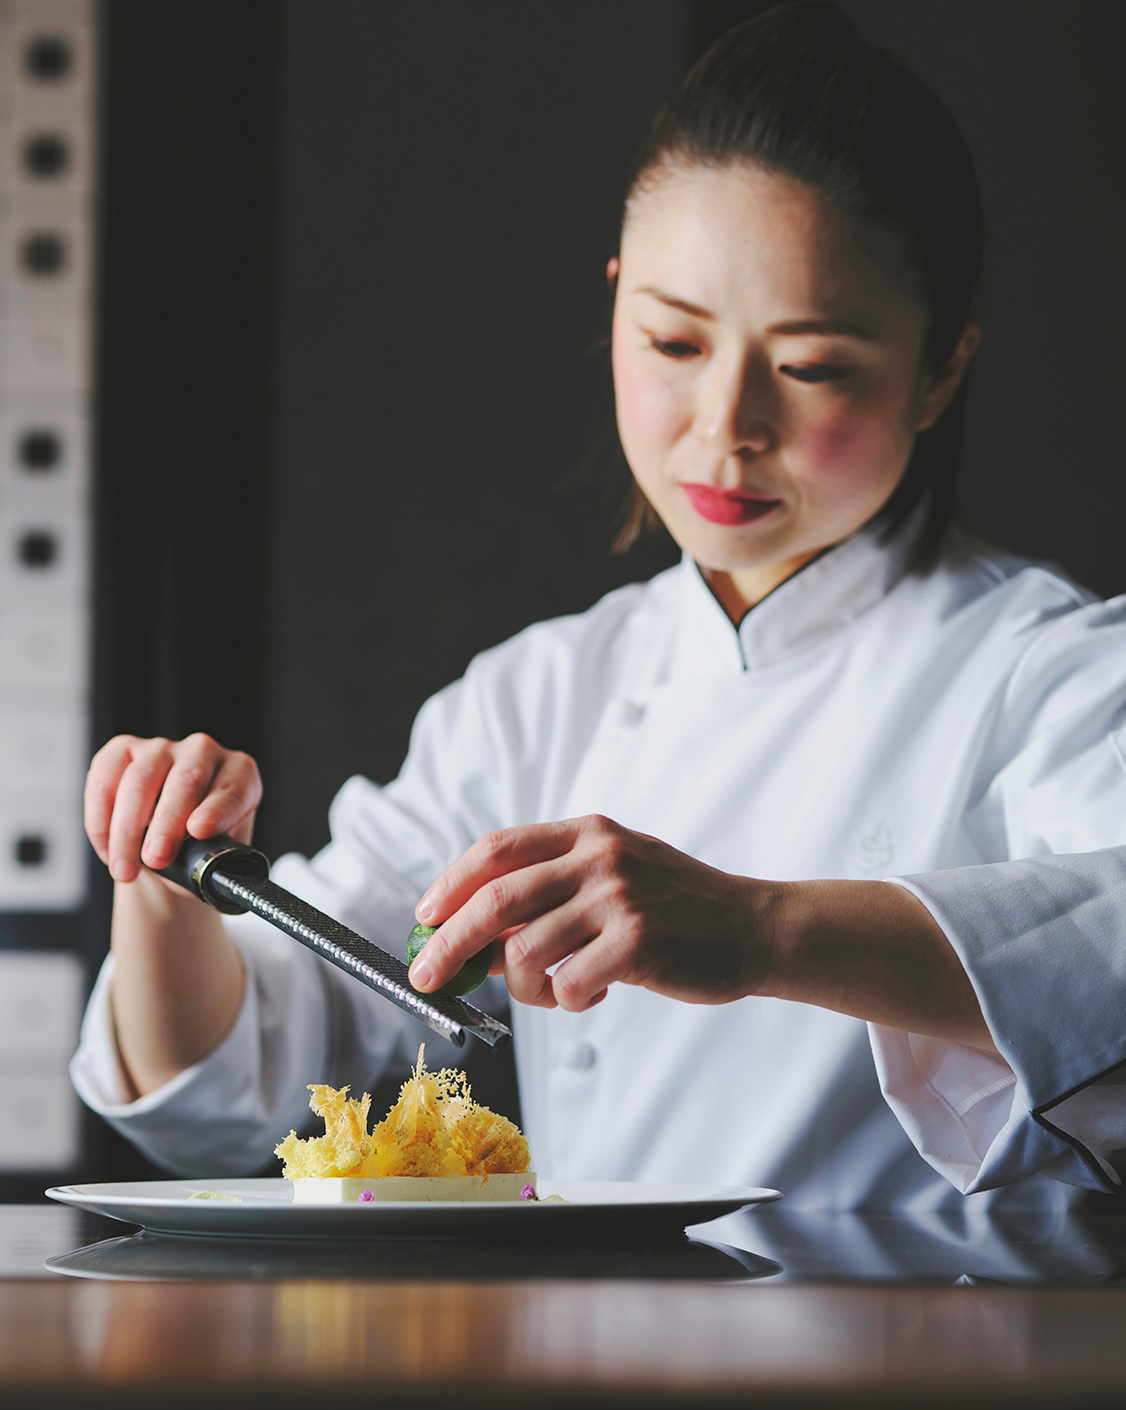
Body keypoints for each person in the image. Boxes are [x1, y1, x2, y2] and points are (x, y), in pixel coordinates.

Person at [73, 4, 1126, 1211]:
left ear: (940, 369)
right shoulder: (538, 699)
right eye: (673, 341)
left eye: (813, 365)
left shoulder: (1055, 668)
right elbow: (235, 1080)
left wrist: (761, 930)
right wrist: (168, 880)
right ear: (615, 300)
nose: (726, 426)